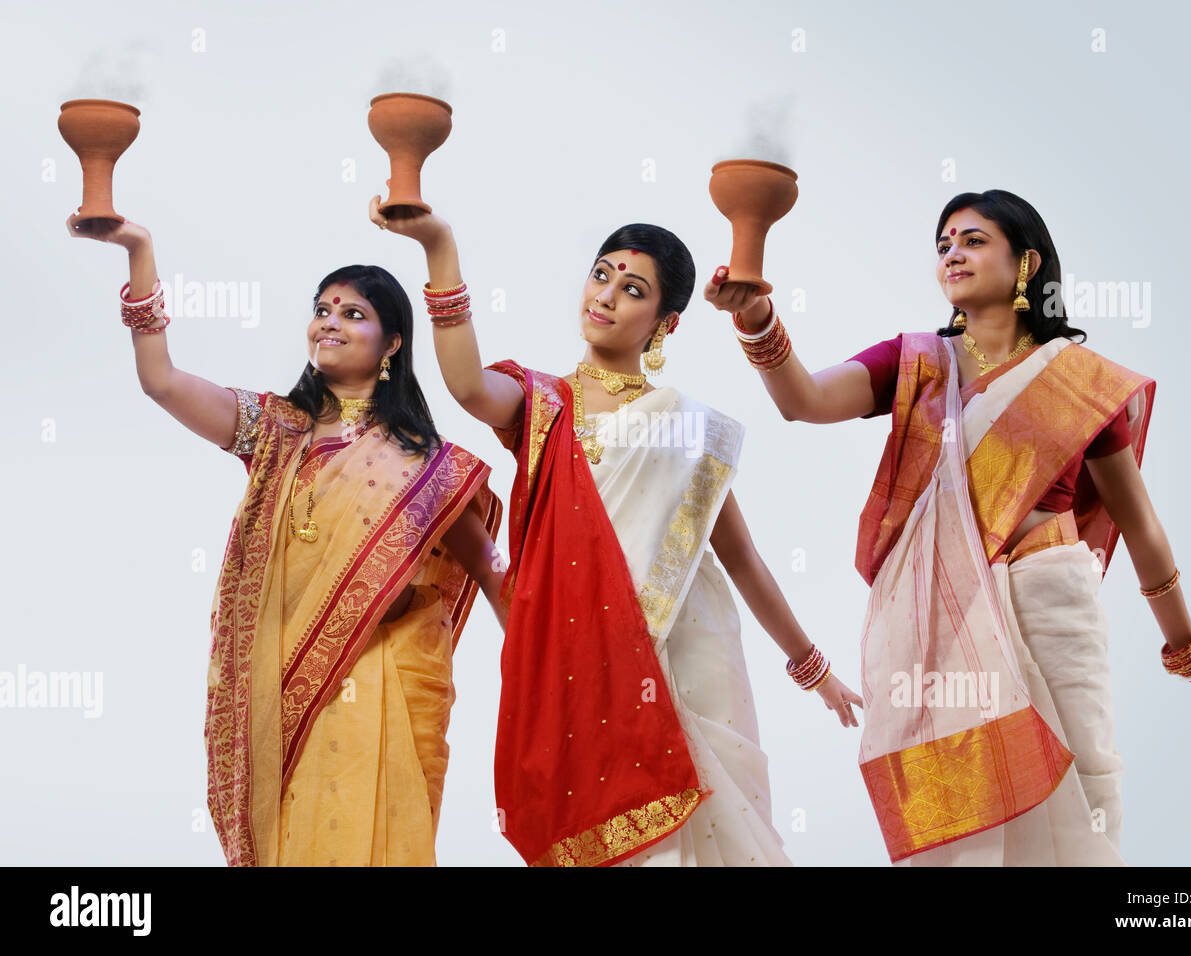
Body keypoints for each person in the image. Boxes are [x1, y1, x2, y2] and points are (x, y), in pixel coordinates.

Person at [704, 188, 1191, 866]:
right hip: (937, 622)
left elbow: (1140, 526)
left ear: (1026, 262)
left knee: (1080, 796)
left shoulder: (1079, 381)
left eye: (972, 240)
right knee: (962, 826)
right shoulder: (915, 363)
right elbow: (806, 401)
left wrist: (1188, 649)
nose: (953, 254)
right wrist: (758, 318)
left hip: (1050, 602)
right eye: (943, 245)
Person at [372, 201, 862, 866]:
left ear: (666, 323)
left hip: (685, 647)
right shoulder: (541, 404)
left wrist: (812, 665)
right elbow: (464, 383)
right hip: (579, 656)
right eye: (601, 275)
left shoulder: (685, 427)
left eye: (632, 290)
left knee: (713, 823)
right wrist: (439, 247)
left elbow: (740, 558)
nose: (605, 296)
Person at [68, 212, 505, 867]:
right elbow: (161, 380)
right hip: (282, 692)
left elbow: (497, 576)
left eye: (353, 313)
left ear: (392, 344)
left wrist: (554, 667)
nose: (330, 320)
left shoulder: (427, 466)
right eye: (323, 308)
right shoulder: (274, 432)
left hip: (387, 681)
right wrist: (140, 250)